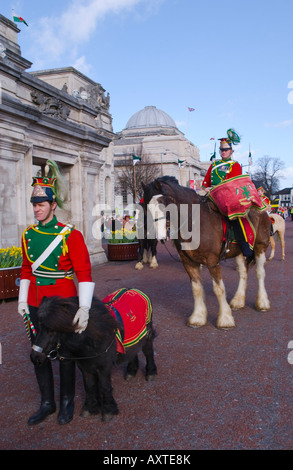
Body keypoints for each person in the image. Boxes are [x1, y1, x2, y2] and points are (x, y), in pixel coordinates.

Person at [18, 159, 95, 426]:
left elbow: (84, 273)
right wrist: (22, 300)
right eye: (34, 205)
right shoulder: (28, 234)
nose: (37, 210)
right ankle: (47, 403)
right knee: (38, 353)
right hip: (36, 303)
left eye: (41, 205)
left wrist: (83, 307)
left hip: (63, 304)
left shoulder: (70, 235)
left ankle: (65, 403)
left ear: (53, 205)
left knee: (64, 354)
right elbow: (27, 269)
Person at [202, 129, 254, 257]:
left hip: (226, 197)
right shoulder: (214, 164)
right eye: (222, 150)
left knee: (234, 218)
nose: (223, 152)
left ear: (231, 151)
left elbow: (232, 183)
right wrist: (205, 188)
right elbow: (206, 181)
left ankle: (242, 244)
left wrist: (216, 189)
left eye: (226, 150)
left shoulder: (235, 165)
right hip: (210, 196)